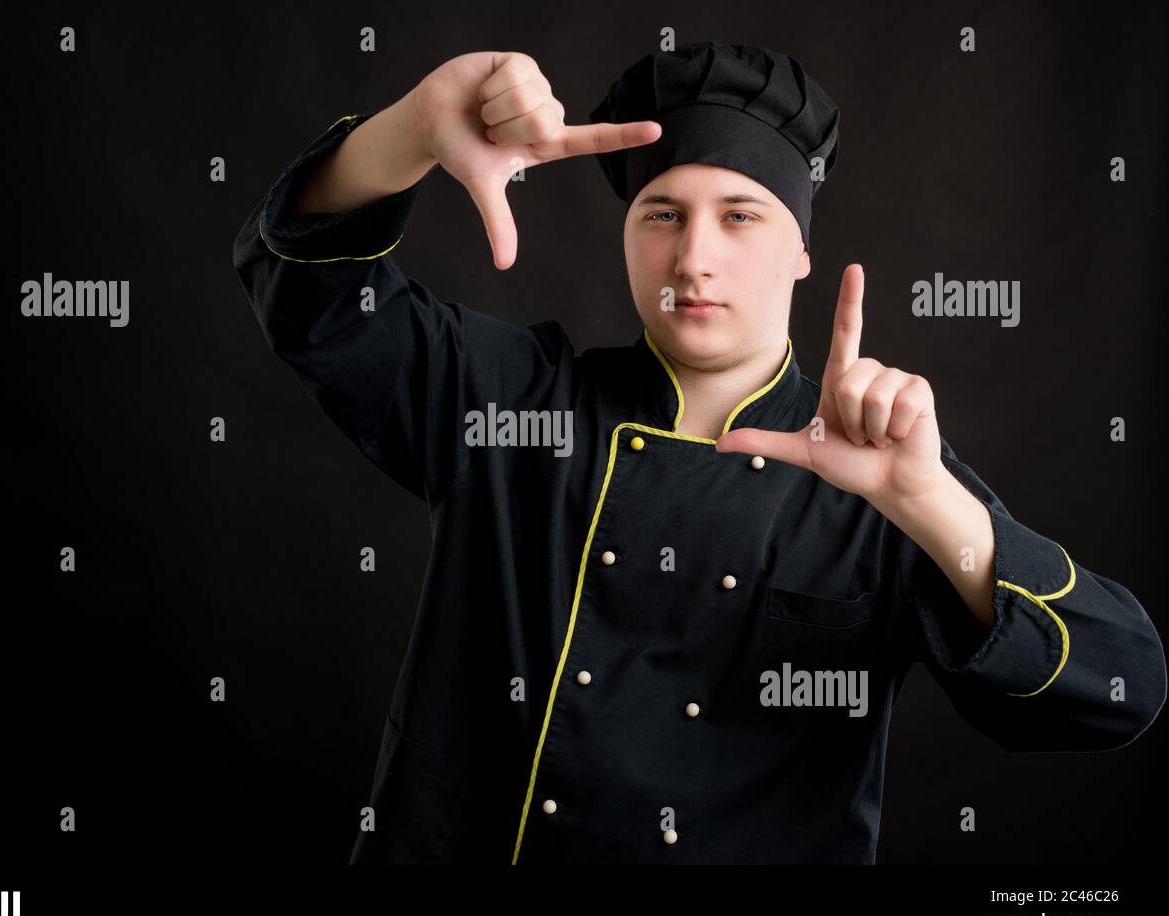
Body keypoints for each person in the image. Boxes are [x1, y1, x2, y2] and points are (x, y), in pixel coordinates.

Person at [232, 43, 1165, 864]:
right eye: (663, 214)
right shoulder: (511, 399)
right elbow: (303, 285)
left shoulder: (885, 466)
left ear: (803, 248)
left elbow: (1116, 689)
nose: (694, 260)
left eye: (742, 215)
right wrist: (411, 129)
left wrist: (930, 504)